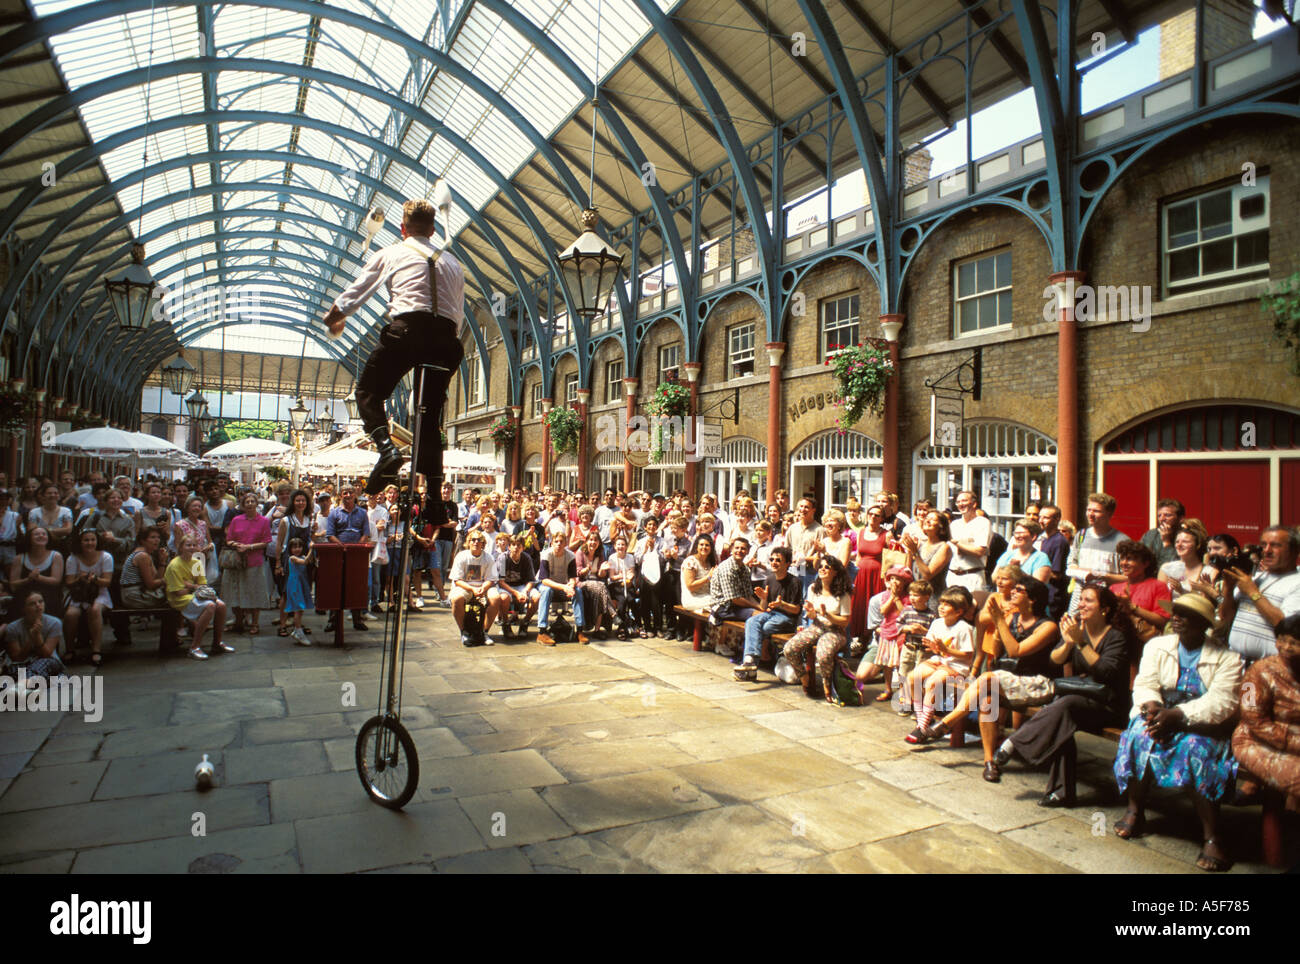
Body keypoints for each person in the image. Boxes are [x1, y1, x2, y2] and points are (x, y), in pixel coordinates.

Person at [324, 196, 466, 502]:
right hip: (446, 341)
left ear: (403, 228)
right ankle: (435, 501)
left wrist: (334, 318)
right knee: (429, 418)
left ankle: (386, 449)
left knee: (367, 393)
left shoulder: (392, 252)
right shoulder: (453, 262)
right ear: (432, 230)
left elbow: (357, 291)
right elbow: (458, 312)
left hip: (408, 332)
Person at [1112, 592, 1241, 871]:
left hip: (1200, 723)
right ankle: (1135, 810)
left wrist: (1179, 716)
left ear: (1203, 624)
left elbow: (1222, 702)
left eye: (1187, 615)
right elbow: (1145, 683)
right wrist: (1153, 709)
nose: (1178, 619)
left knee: (1195, 749)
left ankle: (1211, 836)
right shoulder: (1158, 646)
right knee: (1139, 736)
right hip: (1160, 713)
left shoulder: (1227, 658)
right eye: (1177, 613)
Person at [995, 585, 1131, 806]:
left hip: (1109, 705)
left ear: (1104, 609)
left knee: (1064, 707)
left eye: (1089, 601)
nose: (1081, 605)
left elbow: (1107, 672)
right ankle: (1061, 792)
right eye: (1081, 600)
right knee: (1064, 714)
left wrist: (1080, 642)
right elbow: (1055, 660)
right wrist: (1068, 642)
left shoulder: (1116, 637)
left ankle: (1014, 743)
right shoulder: (1079, 630)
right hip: (1079, 699)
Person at [917, 577, 1060, 782]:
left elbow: (1016, 650)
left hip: (1035, 683)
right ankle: (989, 761)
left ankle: (945, 724)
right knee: (987, 699)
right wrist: (999, 622)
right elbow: (997, 648)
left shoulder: (1047, 627)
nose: (1012, 592)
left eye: (1019, 589)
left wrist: (1000, 620)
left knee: (986, 682)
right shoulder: (1013, 619)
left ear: (1033, 599)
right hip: (1006, 680)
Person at [1233, 613, 1300, 815]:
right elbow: (1252, 719)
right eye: (1283, 640)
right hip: (1255, 738)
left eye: (1295, 643)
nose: (1287, 647)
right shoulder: (1257, 670)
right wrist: (1294, 742)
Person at [903, 586, 977, 740]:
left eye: (947, 605)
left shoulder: (964, 628)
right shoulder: (937, 623)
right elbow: (935, 649)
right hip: (938, 661)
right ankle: (922, 719)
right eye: (941, 603)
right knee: (912, 677)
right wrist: (934, 647)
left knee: (932, 682)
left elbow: (967, 655)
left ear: (958, 611)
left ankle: (922, 728)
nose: (941, 607)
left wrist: (945, 649)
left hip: (955, 666)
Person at [1220, 526, 1300, 664]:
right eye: (1264, 545)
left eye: (1275, 545)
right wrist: (1228, 590)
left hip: (1269, 667)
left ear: (1294, 551)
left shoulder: (1296, 582)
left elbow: (1284, 625)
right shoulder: (1256, 578)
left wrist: (1253, 593)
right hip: (1236, 662)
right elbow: (1226, 617)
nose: (1267, 551)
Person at [782, 555, 852, 704]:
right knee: (789, 648)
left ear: (835, 572)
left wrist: (827, 614)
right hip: (817, 626)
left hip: (835, 630)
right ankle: (804, 678)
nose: (822, 569)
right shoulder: (813, 588)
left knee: (823, 654)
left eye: (827, 567)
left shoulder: (843, 594)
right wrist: (812, 613)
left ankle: (827, 686)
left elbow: (845, 622)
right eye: (821, 566)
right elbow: (811, 614)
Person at [734, 546, 802, 681]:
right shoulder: (769, 580)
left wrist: (782, 604)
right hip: (771, 614)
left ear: (787, 564)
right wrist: (764, 598)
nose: (774, 562)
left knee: (762, 628)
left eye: (778, 560)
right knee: (751, 621)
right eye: (772, 559)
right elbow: (763, 608)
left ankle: (753, 661)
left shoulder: (795, 582)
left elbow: (796, 610)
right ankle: (750, 661)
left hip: (787, 618)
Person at [165, 534, 232, 660]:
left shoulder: (196, 562)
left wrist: (189, 585)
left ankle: (217, 643)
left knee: (221, 606)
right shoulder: (175, 565)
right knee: (210, 606)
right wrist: (193, 587)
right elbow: (178, 592)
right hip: (179, 599)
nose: (191, 548)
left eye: (194, 545)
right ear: (181, 547)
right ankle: (194, 647)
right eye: (188, 545)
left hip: (193, 595)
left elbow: (202, 585)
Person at [1064, 492, 1130, 614]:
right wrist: (1076, 570)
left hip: (1106, 599)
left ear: (1109, 514)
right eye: (1088, 510)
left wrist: (1100, 576)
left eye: (1096, 511)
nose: (1090, 514)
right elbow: (1072, 561)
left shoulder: (1122, 541)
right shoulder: (1081, 535)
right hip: (1079, 596)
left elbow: (1128, 577)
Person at [224, 491, 273, 636]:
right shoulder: (236, 520)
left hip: (254, 561)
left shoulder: (263, 521)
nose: (250, 504)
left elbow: (266, 542)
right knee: (237, 592)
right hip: (238, 561)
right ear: (243, 505)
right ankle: (238, 622)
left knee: (255, 592)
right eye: (247, 502)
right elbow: (228, 539)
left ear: (257, 504)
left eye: (253, 501)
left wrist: (249, 547)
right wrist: (236, 545)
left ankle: (255, 623)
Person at [63, 529, 113, 666]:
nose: (90, 543)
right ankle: (69, 649)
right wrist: (80, 579)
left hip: (99, 593)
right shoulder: (73, 558)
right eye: (86, 540)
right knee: (70, 614)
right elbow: (69, 582)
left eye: (92, 540)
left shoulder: (106, 557)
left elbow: (107, 582)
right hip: (79, 595)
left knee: (95, 609)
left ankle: (96, 650)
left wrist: (95, 579)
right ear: (80, 542)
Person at [324, 485, 372, 632]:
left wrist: (356, 547)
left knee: (357, 586)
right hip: (338, 554)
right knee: (336, 586)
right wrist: (341, 546)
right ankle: (333, 620)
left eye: (351, 493)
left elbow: (366, 533)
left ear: (355, 495)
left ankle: (357, 619)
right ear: (340, 495)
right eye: (345, 493)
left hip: (357, 555)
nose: (348, 495)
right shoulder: (334, 513)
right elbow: (330, 535)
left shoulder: (363, 513)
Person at [273, 490, 316, 638]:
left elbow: (311, 540)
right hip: (289, 561)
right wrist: (278, 564)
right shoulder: (286, 520)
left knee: (301, 591)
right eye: (298, 500)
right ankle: (283, 624)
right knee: (286, 593)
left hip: (305, 562)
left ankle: (298, 623)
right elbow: (279, 543)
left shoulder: (308, 519)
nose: (300, 503)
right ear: (293, 502)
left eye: (303, 500)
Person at [535, 531, 588, 646]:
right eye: (556, 541)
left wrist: (571, 586)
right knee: (546, 590)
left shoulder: (570, 556)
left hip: (563, 586)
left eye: (561, 542)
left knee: (577, 591)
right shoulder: (546, 555)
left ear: (565, 544)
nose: (558, 544)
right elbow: (544, 580)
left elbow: (573, 578)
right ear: (551, 543)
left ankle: (579, 630)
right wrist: (564, 587)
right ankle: (542, 632)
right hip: (546, 585)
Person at [850, 502, 891, 645]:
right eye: (871, 514)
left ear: (882, 519)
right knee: (859, 605)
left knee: (873, 605)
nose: (873, 517)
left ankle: (873, 638)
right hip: (861, 574)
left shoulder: (886, 535)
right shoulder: (861, 532)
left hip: (877, 575)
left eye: (877, 515)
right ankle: (860, 639)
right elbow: (859, 556)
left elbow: (890, 557)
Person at [449, 529, 498, 646]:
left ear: (483, 543)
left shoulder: (489, 558)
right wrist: (472, 589)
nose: (476, 542)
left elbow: (491, 579)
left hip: (483, 587)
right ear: (468, 542)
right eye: (473, 540)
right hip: (465, 586)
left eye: (479, 540)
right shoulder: (461, 556)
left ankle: (484, 632)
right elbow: (457, 580)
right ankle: (464, 632)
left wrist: (483, 588)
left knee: (496, 598)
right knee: (456, 599)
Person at [3, 590, 66, 682]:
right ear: (23, 608)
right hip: (23, 663)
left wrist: (37, 637)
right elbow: (17, 658)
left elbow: (46, 655)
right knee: (13, 669)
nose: (38, 605)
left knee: (41, 665)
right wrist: (30, 639)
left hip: (48, 661)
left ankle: (23, 685)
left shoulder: (54, 623)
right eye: (32, 604)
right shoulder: (12, 628)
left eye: (41, 601)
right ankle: (42, 682)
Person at [8, 525, 63, 623]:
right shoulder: (19, 558)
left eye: (44, 534)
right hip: (24, 595)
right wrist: (28, 579)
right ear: (29, 538)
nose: (41, 536)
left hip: (49, 595)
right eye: (36, 534)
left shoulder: (56, 556)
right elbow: (13, 584)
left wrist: (38, 577)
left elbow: (56, 581)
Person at [490, 534, 537, 638]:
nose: (516, 547)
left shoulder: (526, 558)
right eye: (513, 545)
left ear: (523, 547)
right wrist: (516, 593)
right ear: (509, 546)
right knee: (504, 598)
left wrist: (524, 592)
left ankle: (525, 622)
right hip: (505, 586)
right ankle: (506, 623)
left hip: (521, 586)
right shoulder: (503, 558)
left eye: (519, 545)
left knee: (536, 597)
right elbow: (501, 582)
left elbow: (531, 580)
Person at [1158, 524, 1219, 602]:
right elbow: (1160, 599)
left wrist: (1182, 591)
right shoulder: (1166, 568)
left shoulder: (1210, 571)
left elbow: (1207, 604)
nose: (1179, 545)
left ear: (1197, 545)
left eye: (1185, 542)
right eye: (1177, 542)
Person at [120, 527, 169, 610]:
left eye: (158, 537)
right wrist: (168, 579)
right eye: (153, 537)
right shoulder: (142, 556)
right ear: (143, 540)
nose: (157, 540)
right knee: (173, 600)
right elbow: (151, 585)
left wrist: (162, 562)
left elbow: (157, 579)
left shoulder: (146, 554)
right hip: (134, 595)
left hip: (139, 593)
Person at [176, 495, 218, 591]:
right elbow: (178, 546)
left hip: (202, 558)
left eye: (199, 506)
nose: (197, 508)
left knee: (200, 583)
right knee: (190, 584)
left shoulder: (203, 524)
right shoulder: (180, 525)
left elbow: (210, 541)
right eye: (194, 506)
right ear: (187, 508)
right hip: (187, 560)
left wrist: (209, 546)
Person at [1037, 503, 1071, 620]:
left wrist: (1036, 571)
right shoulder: (1044, 539)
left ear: (1056, 520)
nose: (1041, 521)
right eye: (1040, 517)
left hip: (1053, 598)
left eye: (1045, 518)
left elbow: (1057, 574)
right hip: (1042, 594)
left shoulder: (1059, 542)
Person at [283, 537, 315, 647]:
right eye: (294, 547)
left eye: (299, 547)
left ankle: (297, 630)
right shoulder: (292, 558)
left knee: (300, 610)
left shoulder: (301, 556)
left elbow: (309, 560)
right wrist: (311, 548)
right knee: (298, 608)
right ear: (290, 549)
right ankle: (298, 631)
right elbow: (305, 562)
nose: (297, 549)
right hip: (295, 585)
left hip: (301, 583)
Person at [1140, 498, 1185, 568]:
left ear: (1180, 519)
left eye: (1167, 515)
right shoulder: (1150, 535)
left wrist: (1166, 541)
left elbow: (1174, 567)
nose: (1162, 519)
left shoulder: (1186, 537)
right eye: (1159, 516)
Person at [27, 482, 73, 550]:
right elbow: (31, 530)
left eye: (55, 493)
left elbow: (68, 530)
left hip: (61, 546)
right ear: (43, 496)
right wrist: (59, 531)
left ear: (59, 496)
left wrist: (43, 530)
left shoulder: (66, 511)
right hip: (39, 546)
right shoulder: (34, 512)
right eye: (49, 493)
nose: (53, 495)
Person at [680, 533, 716, 615]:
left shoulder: (709, 563)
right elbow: (690, 586)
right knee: (719, 603)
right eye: (701, 545)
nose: (704, 547)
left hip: (707, 596)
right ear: (697, 546)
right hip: (692, 598)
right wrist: (708, 578)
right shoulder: (691, 561)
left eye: (707, 545)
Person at [0, 488, 20, 570]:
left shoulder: (14, 515)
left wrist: (18, 526)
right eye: (0, 499)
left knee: (10, 573)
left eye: (5, 499)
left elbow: (20, 535)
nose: (2, 501)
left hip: (9, 547)